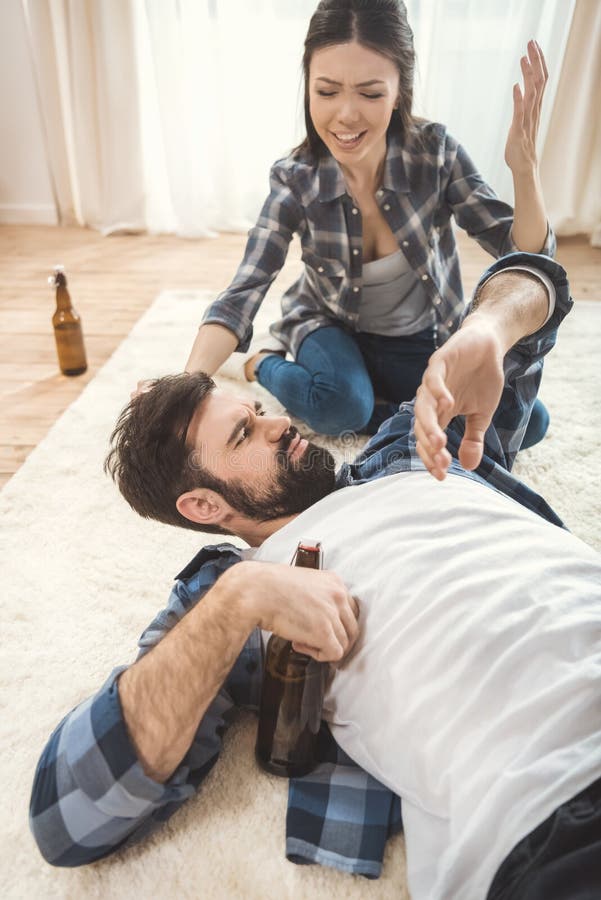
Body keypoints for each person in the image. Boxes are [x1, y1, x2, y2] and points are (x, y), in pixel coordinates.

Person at [30, 252, 601, 899]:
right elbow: (66, 820)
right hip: (553, 810)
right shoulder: (238, 604)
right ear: (205, 507)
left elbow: (535, 282)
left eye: (257, 409)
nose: (280, 421)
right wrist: (235, 599)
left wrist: (487, 330)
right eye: (245, 433)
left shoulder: (407, 447)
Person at [177, 0, 555, 447]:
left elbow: (525, 256)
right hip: (331, 326)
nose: (346, 116)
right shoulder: (294, 178)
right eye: (327, 91)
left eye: (370, 93)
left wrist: (524, 170)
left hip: (422, 334)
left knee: (526, 420)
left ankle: (386, 407)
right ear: (308, 89)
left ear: (399, 93)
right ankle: (261, 363)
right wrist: (182, 390)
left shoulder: (435, 153)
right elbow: (245, 290)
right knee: (340, 407)